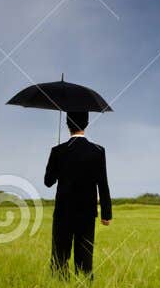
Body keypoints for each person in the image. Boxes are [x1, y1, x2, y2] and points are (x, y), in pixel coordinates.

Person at [43, 111, 111, 276]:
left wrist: (56, 162)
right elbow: (103, 184)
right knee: (85, 255)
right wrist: (106, 214)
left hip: (63, 212)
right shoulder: (98, 151)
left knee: (59, 255)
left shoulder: (58, 151)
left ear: (67, 125)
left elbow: (48, 182)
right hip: (87, 212)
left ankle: (59, 287)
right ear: (86, 124)